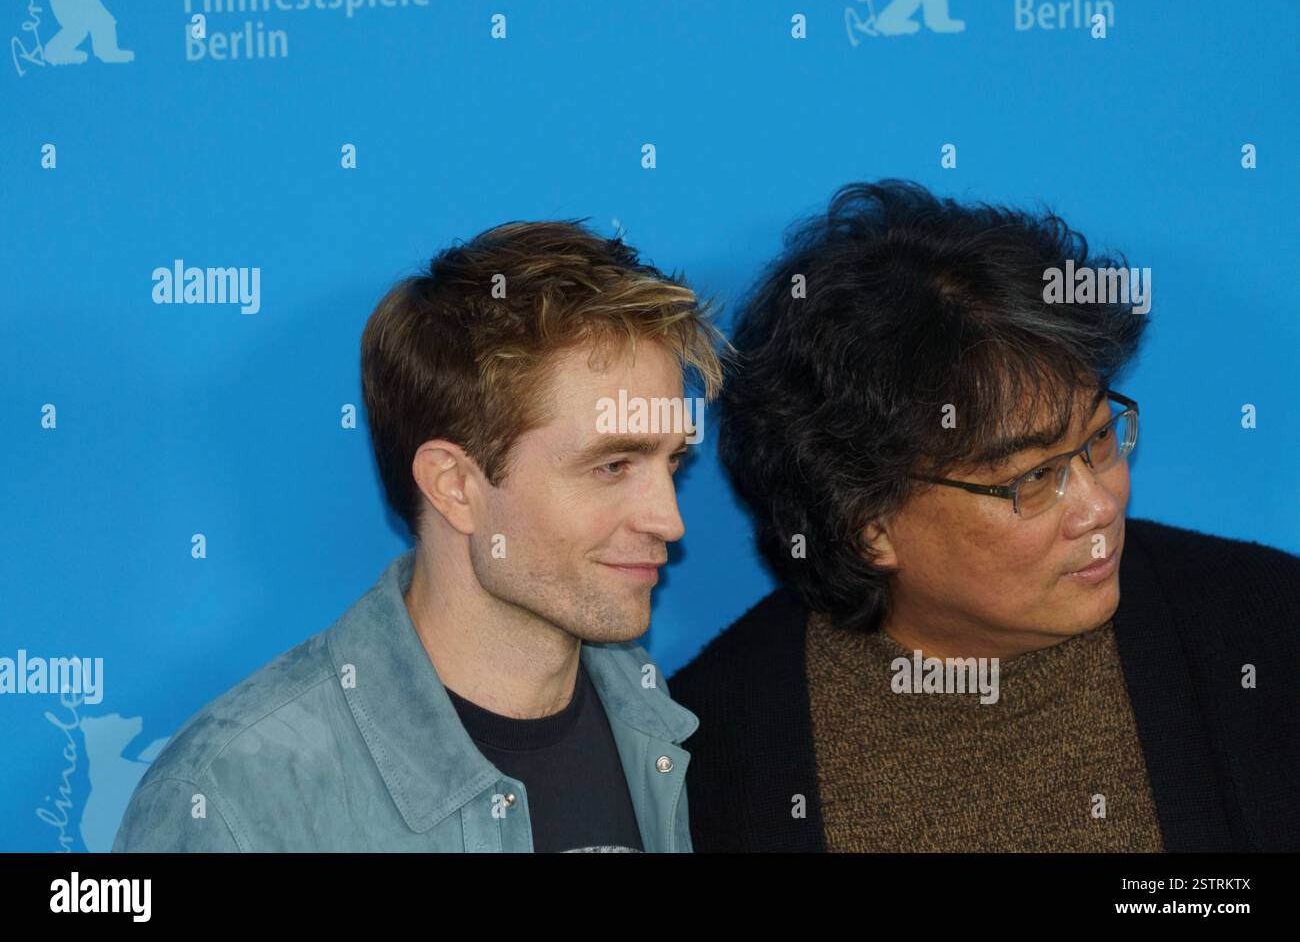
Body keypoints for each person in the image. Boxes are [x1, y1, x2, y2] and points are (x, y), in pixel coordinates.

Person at [669, 179, 1300, 852]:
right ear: (868, 525)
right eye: (1033, 479)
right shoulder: (711, 758)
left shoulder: (1263, 630)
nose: (1100, 504)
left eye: (1096, 440)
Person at [114, 220, 723, 852]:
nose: (669, 520)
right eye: (612, 466)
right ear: (454, 485)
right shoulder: (235, 799)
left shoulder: (661, 726)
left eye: (672, 462)